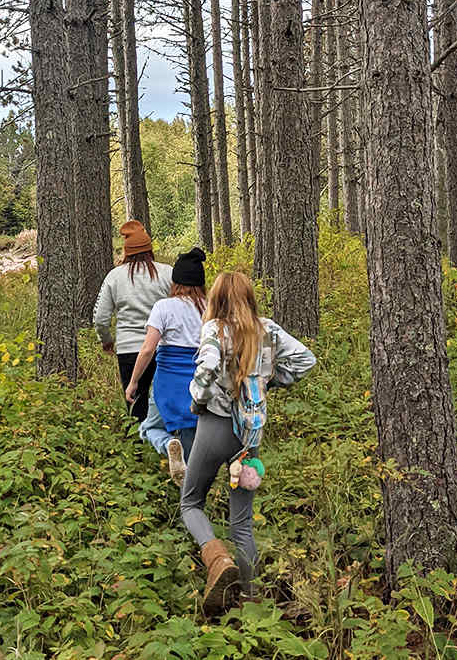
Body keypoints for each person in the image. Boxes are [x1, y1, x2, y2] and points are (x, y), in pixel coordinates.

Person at [181, 271, 316, 613]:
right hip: (249, 434)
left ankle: (217, 559)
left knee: (191, 502)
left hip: (216, 426)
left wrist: (197, 400)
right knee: (241, 521)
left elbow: (208, 367)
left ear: (217, 299)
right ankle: (250, 599)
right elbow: (305, 359)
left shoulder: (215, 329)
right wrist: (267, 383)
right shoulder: (266, 329)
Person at [125, 248, 207, 485]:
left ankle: (169, 444)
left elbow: (148, 349)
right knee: (193, 445)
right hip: (199, 384)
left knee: (149, 428)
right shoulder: (210, 307)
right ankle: (192, 502)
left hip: (167, 383)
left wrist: (134, 382)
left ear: (175, 282)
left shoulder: (164, 307)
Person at [93, 220, 173, 424]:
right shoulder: (167, 272)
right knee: (164, 405)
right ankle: (165, 448)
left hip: (128, 350)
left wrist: (106, 340)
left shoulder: (115, 276)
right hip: (162, 348)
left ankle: (138, 452)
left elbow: (101, 318)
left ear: (127, 251)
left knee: (135, 406)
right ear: (149, 249)